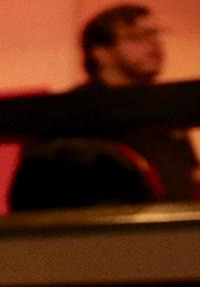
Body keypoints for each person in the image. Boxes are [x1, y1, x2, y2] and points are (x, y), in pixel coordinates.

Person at [71, 4, 197, 201]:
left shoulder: (165, 106)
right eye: (136, 37)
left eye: (155, 34)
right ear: (101, 53)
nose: (153, 44)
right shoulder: (74, 112)